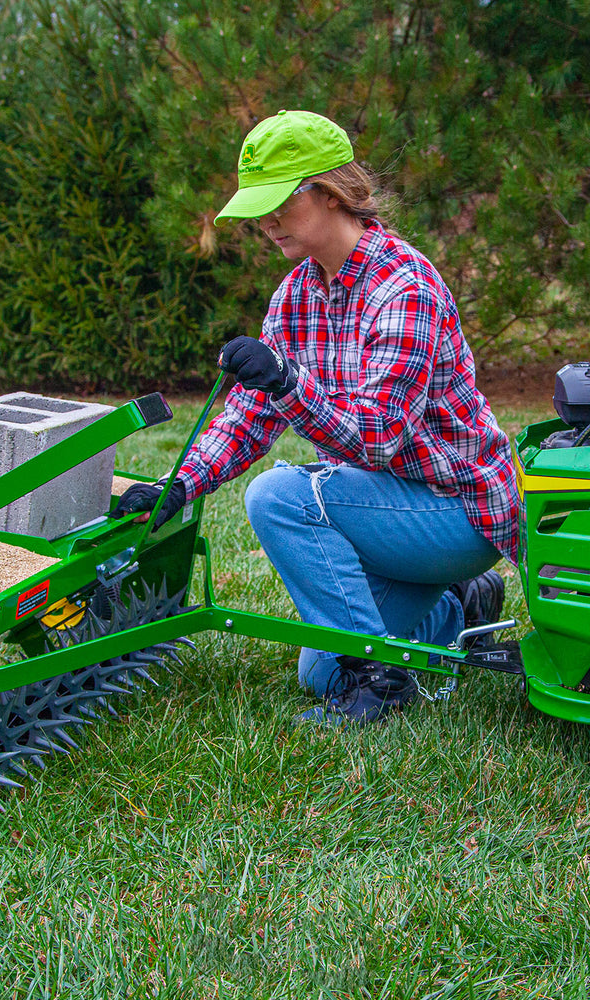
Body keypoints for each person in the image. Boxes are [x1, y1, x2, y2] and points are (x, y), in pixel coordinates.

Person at [112, 109, 520, 725]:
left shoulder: (403, 287)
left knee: (279, 496)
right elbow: (249, 415)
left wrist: (286, 382)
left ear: (330, 193)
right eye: (258, 208)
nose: (267, 223)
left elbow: (378, 439)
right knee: (321, 671)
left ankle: (379, 684)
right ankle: (462, 609)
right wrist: (180, 487)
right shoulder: (299, 292)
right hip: (386, 511)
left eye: (280, 203)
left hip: (456, 510)